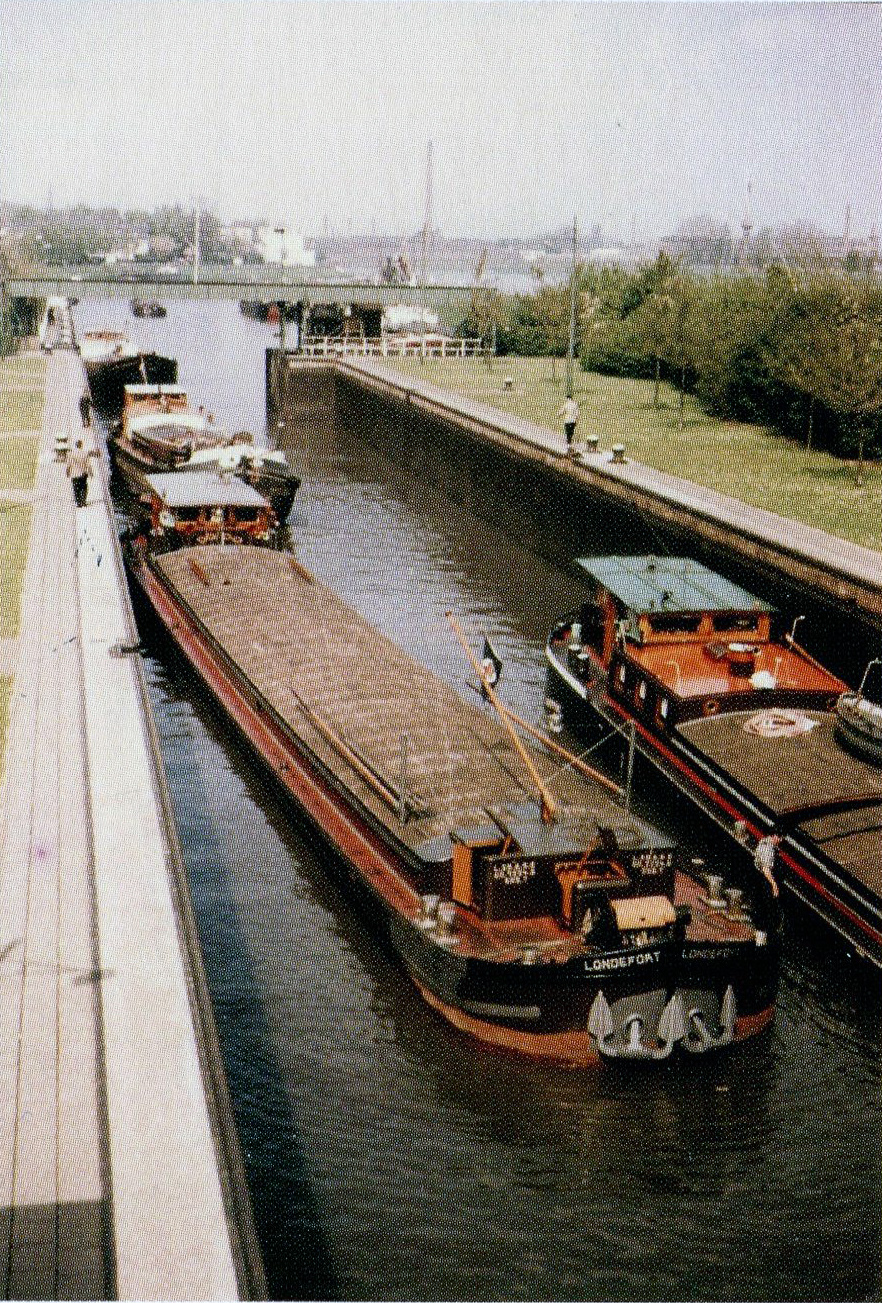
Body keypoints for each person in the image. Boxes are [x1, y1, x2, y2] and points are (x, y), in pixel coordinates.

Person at [66, 439, 95, 507]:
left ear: (75, 445)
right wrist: (91, 473)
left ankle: (78, 502)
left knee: (76, 488)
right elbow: (88, 465)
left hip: (74, 474)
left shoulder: (70, 453)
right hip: (83, 473)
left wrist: (67, 472)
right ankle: (83, 501)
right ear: (81, 445)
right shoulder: (85, 453)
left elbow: (68, 465)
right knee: (84, 487)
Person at [754, 830, 781, 898]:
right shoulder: (768, 851)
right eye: (779, 837)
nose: (781, 840)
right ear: (774, 836)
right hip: (765, 880)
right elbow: (766, 869)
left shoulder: (765, 841)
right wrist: (774, 885)